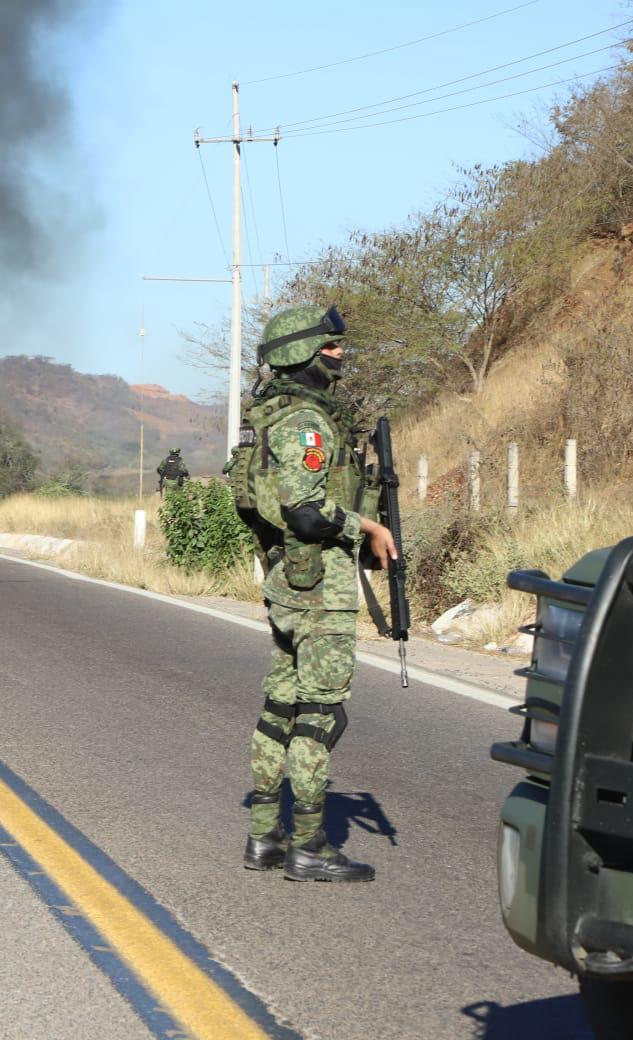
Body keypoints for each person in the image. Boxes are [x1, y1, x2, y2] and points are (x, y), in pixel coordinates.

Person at [241, 305, 397, 882]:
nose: (338, 354)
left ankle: (263, 835)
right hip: (318, 587)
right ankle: (308, 845)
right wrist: (369, 528)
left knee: (280, 706)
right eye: (328, 346)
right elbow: (304, 512)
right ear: (299, 353)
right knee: (320, 715)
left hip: (289, 581)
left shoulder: (277, 415)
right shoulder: (304, 423)